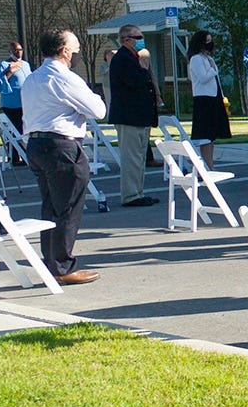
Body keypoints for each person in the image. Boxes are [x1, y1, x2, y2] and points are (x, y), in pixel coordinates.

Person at [20, 29, 106, 285]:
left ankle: (51, 263)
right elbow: (98, 110)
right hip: (62, 146)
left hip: (37, 145)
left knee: (50, 206)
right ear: (65, 51)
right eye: (76, 49)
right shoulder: (65, 78)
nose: (78, 53)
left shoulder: (32, 78)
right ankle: (62, 266)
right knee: (67, 208)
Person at [108, 25, 161, 207]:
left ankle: (138, 192)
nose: (141, 40)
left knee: (139, 158)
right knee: (131, 158)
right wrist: (144, 66)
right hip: (128, 117)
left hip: (140, 116)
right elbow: (135, 81)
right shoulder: (122, 59)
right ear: (126, 40)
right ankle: (130, 195)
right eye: (138, 37)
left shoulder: (133, 57)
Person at [185, 30, 229, 169]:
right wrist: (211, 69)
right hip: (203, 100)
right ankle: (207, 166)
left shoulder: (207, 58)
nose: (210, 44)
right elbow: (203, 78)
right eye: (207, 41)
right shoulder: (196, 59)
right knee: (205, 136)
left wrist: (221, 96)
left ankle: (210, 165)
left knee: (212, 136)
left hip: (213, 97)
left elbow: (216, 80)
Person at [0, 42, 29, 162]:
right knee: (13, 131)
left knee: (24, 131)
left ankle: (25, 156)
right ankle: (14, 157)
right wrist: (9, 73)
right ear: (10, 51)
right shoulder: (3, 65)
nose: (18, 52)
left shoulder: (25, 65)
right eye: (15, 50)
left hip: (25, 103)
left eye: (20, 50)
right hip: (11, 104)